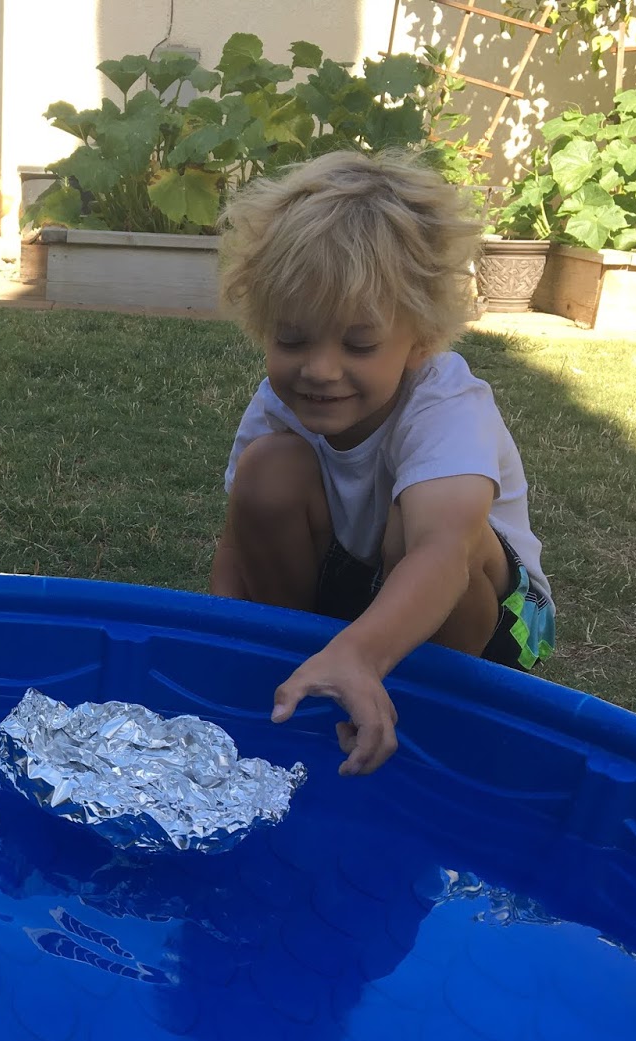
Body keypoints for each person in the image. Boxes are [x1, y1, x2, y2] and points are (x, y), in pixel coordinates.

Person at [210, 150, 554, 776]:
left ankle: (416, 697)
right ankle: (304, 662)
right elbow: (241, 536)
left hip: (496, 620)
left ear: (419, 339)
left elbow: (443, 552)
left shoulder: (445, 403)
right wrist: (216, 642)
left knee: (422, 525)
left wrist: (365, 653)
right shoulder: (279, 403)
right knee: (266, 474)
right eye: (291, 339)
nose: (319, 369)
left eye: (359, 344)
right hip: (364, 593)